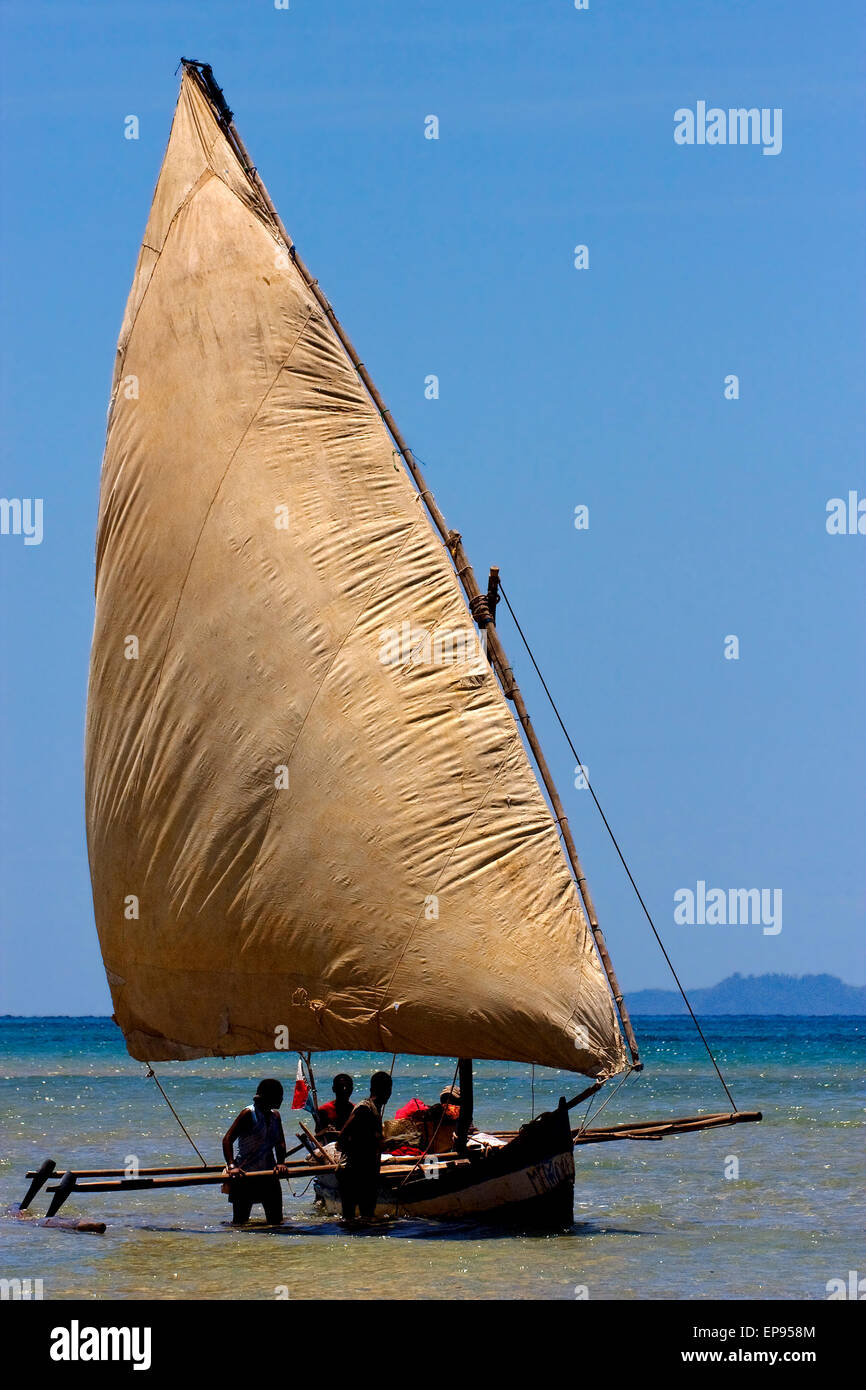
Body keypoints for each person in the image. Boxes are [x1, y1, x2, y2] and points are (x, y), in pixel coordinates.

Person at [222, 1078, 289, 1225]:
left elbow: (280, 1143)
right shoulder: (248, 1114)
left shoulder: (275, 1116)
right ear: (267, 1097)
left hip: (269, 1172)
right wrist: (232, 1166)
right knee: (240, 1223)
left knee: (276, 1222)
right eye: (278, 1096)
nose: (281, 1099)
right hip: (245, 1174)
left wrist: (281, 1163)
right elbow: (227, 1139)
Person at [335, 1070, 392, 1223]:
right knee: (350, 1219)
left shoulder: (375, 1109)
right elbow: (342, 1135)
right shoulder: (364, 1108)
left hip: (367, 1171)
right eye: (386, 1089)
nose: (388, 1093)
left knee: (365, 1218)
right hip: (353, 1171)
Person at [315, 1073, 355, 1142]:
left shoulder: (356, 1110)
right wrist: (326, 1131)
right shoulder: (324, 1110)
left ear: (351, 1090)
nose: (344, 1090)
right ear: (334, 1089)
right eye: (341, 1087)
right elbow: (318, 1136)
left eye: (347, 1087)